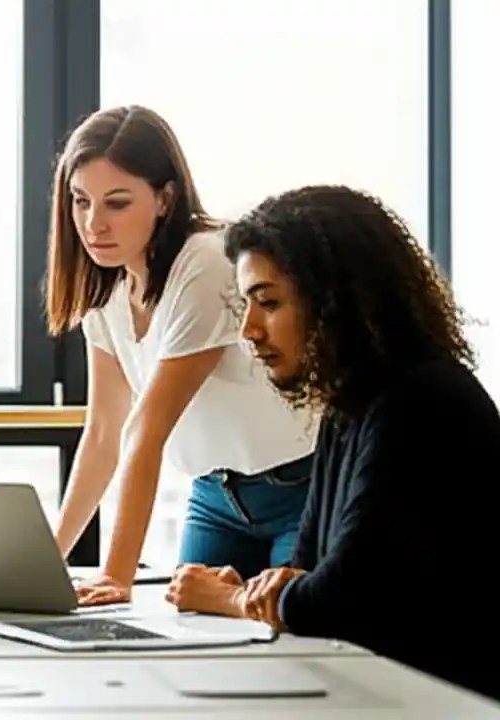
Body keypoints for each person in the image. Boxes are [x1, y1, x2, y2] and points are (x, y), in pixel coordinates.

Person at [166, 184, 500, 701]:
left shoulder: (422, 401)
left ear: (335, 301)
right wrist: (267, 592)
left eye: (269, 303)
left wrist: (231, 598)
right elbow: (302, 571)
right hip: (386, 689)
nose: (250, 331)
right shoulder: (351, 406)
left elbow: (341, 598)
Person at [45, 105, 316, 606]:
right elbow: (104, 431)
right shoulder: (106, 293)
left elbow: (147, 427)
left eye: (117, 203)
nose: (93, 224)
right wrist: (45, 565)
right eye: (80, 202)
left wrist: (116, 577)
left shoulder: (207, 263)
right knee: (196, 640)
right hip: (215, 497)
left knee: (288, 643)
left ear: (165, 198)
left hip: (298, 490)